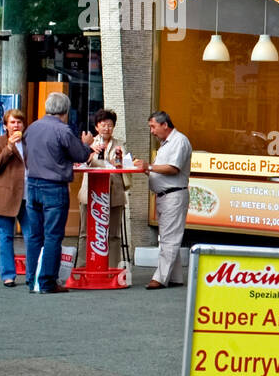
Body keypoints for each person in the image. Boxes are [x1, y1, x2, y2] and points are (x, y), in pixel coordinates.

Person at [22, 92, 101, 294]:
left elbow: (26, 153)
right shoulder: (63, 130)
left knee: (34, 235)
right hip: (54, 186)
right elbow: (80, 154)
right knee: (52, 236)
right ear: (66, 111)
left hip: (32, 183)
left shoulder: (32, 127)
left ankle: (32, 279)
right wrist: (87, 143)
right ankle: (47, 281)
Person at [140, 111, 192, 290]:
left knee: (169, 238)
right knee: (169, 237)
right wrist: (147, 169)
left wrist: (149, 166)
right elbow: (162, 170)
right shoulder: (165, 143)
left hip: (174, 195)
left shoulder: (179, 141)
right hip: (165, 195)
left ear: (165, 125)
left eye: (153, 127)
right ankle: (175, 277)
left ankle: (160, 278)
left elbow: (173, 168)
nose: (152, 131)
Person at [76, 109, 130, 268]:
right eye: (103, 125)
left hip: (114, 192)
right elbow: (80, 162)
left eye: (110, 125)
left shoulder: (120, 144)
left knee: (113, 234)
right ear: (96, 126)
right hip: (90, 193)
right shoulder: (89, 143)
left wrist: (119, 162)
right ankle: (82, 266)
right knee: (85, 233)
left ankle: (112, 267)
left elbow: (124, 165)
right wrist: (91, 151)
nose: (107, 128)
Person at [0, 108, 28, 287]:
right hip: (4, 195)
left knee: (32, 235)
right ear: (5, 126)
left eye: (19, 122)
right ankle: (8, 275)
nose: (16, 125)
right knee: (5, 237)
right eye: (12, 122)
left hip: (27, 194)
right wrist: (9, 146)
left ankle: (32, 273)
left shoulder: (30, 142)